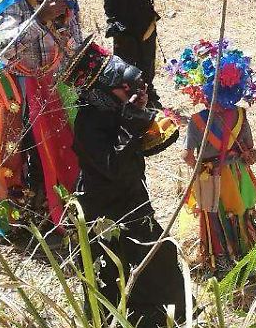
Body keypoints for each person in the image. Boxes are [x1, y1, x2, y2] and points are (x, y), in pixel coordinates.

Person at [0, 0, 98, 236]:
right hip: (22, 91)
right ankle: (21, 221)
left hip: (59, 87)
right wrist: (38, 16)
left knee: (63, 152)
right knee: (20, 154)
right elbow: (4, 42)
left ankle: (63, 214)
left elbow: (73, 37)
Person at [65, 38, 185, 327]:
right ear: (103, 91)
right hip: (104, 212)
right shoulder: (88, 123)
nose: (136, 92)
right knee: (111, 274)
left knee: (159, 263)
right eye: (127, 88)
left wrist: (151, 122)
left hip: (132, 199)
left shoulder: (116, 110)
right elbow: (112, 166)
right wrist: (131, 120)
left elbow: (142, 147)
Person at [168, 39, 256, 275]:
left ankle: (220, 263)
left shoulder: (197, 121)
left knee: (214, 217)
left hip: (210, 178)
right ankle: (248, 259)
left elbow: (186, 156)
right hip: (238, 176)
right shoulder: (240, 115)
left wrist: (200, 165)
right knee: (241, 215)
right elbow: (251, 151)